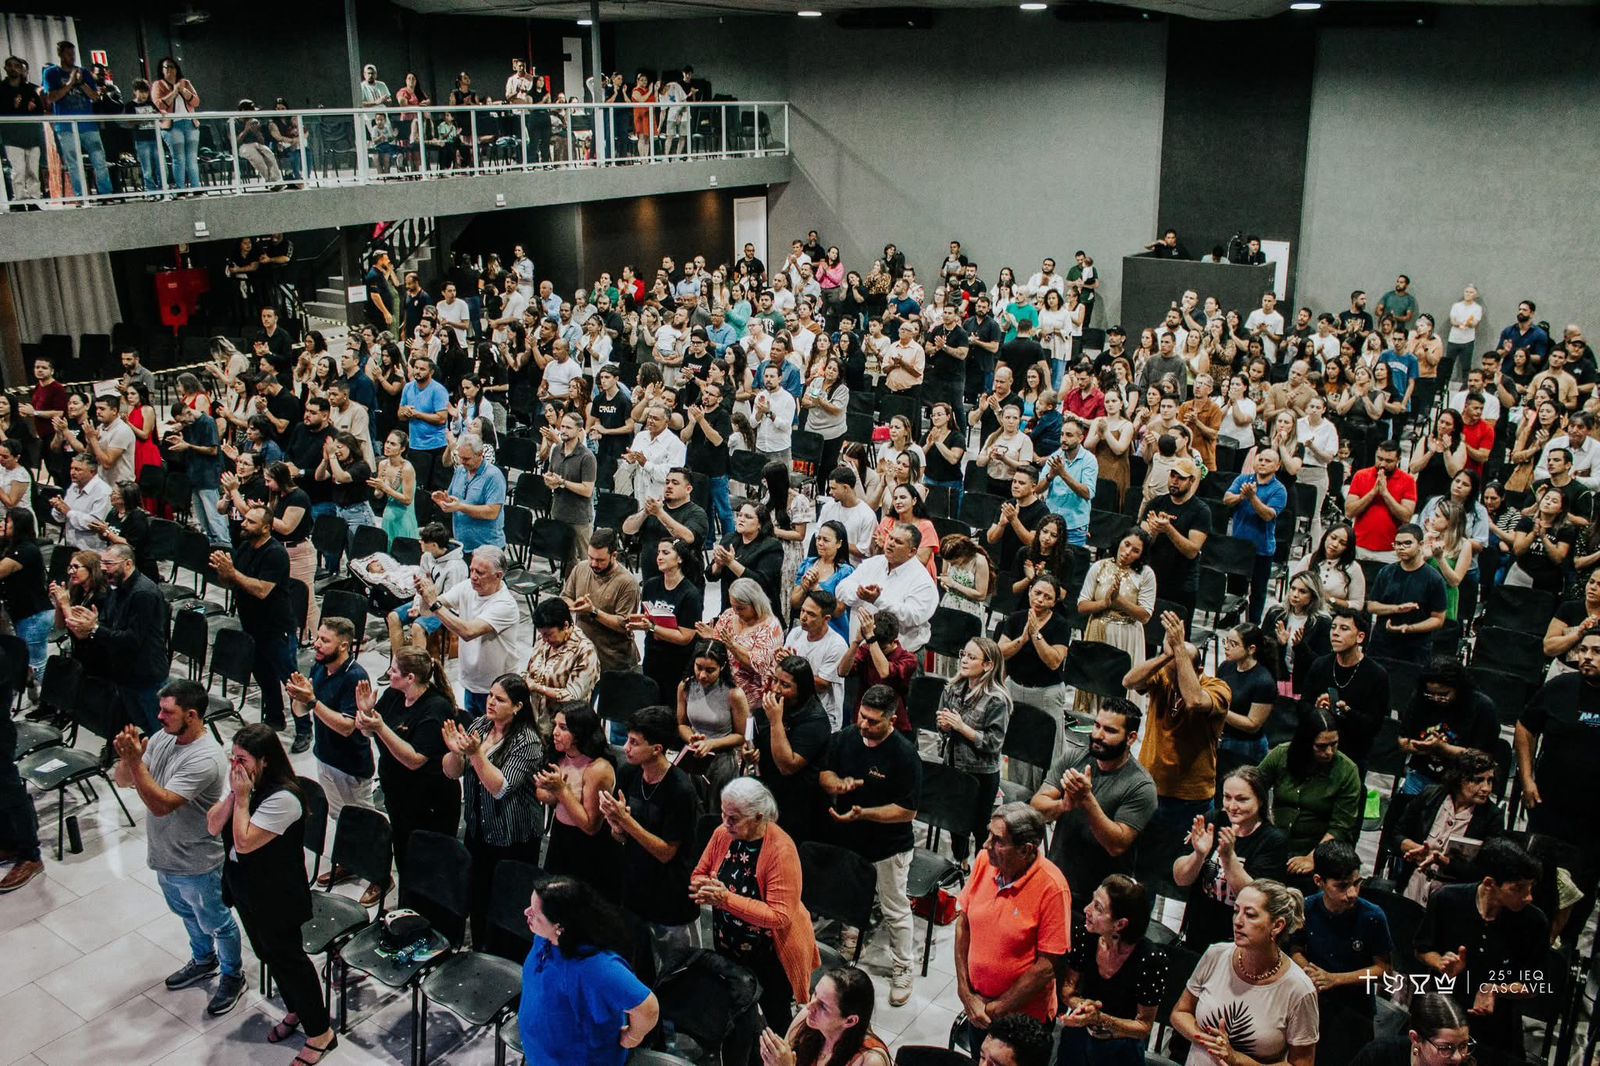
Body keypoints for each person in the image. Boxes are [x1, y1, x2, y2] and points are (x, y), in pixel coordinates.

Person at [111, 679, 246, 1017]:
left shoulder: (205, 758)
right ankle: (203, 960)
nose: (158, 717)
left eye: (167, 712)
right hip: (166, 854)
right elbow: (125, 781)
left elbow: (162, 804)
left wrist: (138, 763)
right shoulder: (162, 738)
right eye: (159, 710)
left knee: (217, 921)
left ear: (192, 715)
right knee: (186, 914)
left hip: (197, 861)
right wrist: (131, 760)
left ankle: (233, 975)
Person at [206, 724, 337, 1064]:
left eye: (243, 759)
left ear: (264, 762)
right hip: (245, 888)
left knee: (290, 961)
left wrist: (243, 799)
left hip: (276, 895)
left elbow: (246, 842)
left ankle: (321, 1031)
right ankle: (296, 1010)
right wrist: (236, 795)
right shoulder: (241, 784)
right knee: (267, 954)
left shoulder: (284, 798)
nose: (236, 765)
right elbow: (212, 825)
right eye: (233, 757)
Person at [818, 692, 922, 1005]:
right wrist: (836, 784)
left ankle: (904, 966)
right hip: (851, 840)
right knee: (852, 897)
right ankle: (852, 940)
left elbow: (907, 811)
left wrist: (865, 813)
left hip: (889, 847)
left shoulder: (905, 755)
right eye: (861, 716)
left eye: (873, 721)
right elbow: (824, 773)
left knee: (894, 909)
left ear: (891, 719)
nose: (863, 724)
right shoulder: (847, 738)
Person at [693, 776, 820, 1030]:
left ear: (759, 817)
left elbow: (780, 915)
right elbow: (699, 873)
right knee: (739, 1012)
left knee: (774, 1019)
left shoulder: (781, 850)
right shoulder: (722, 834)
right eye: (723, 813)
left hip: (770, 953)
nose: (725, 823)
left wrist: (725, 899)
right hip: (729, 944)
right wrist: (704, 887)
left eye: (734, 818)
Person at [1413, 837, 1548, 1057]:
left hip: (1497, 1026)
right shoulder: (1448, 900)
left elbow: (1533, 984)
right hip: (1444, 1013)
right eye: (1519, 888)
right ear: (1489, 884)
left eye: (1531, 887)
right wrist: (1441, 963)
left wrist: (1495, 989)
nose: (1529, 897)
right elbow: (1422, 949)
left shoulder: (1534, 922)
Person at [953, 803, 1071, 1051]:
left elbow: (1047, 967)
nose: (986, 845)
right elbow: (963, 923)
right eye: (989, 835)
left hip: (1022, 1021)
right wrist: (965, 991)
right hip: (978, 1008)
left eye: (997, 840)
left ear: (1025, 850)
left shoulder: (1053, 887)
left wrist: (996, 1008)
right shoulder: (985, 861)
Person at [285, 617, 383, 905]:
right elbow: (302, 712)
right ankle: (351, 863)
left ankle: (380, 876)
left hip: (351, 766)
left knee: (366, 823)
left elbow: (346, 725)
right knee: (340, 817)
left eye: (324, 640)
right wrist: (299, 696)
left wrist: (313, 701)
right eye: (317, 638)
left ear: (343, 645)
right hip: (325, 757)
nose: (316, 643)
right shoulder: (319, 667)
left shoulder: (356, 677)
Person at [516, 874, 660, 1066]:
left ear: (560, 926)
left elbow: (648, 1008)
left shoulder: (597, 967)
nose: (526, 912)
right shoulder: (545, 938)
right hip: (542, 1055)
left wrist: (633, 1037)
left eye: (535, 912)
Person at [443, 673, 543, 948]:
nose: (491, 702)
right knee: (479, 897)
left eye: (500, 699)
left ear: (518, 706)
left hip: (512, 836)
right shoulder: (480, 726)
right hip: (479, 829)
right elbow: (452, 772)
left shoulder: (527, 741)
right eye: (490, 695)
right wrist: (454, 752)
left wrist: (476, 755)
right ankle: (479, 949)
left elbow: (500, 788)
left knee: (507, 903)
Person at [1171, 879, 1318, 1066]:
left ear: (1277, 926)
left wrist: (1236, 1059)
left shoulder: (1299, 989)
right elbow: (1180, 1012)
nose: (1238, 921)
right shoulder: (1216, 954)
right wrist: (1211, 1041)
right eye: (1236, 911)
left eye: (1250, 915)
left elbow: (1302, 1063)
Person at [1032, 699, 1157, 911]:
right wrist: (1063, 805)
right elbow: (1036, 807)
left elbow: (1116, 844)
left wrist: (1087, 799)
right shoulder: (1075, 757)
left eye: (1109, 730)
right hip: (1058, 880)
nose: (1098, 735)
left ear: (1131, 738)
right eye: (1097, 725)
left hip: (1103, 900)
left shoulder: (1140, 786)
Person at [599, 705, 702, 956]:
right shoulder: (629, 773)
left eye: (634, 742)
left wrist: (626, 821)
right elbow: (621, 836)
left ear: (657, 749)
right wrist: (615, 825)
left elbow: (666, 852)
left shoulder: (680, 790)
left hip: (670, 897)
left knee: (676, 969)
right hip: (635, 886)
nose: (626, 748)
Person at [353, 647, 460, 883]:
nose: (388, 674)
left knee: (429, 867)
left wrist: (380, 727)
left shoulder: (435, 707)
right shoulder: (394, 695)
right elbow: (372, 733)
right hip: (398, 796)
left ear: (410, 677)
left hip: (429, 803)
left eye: (393, 670)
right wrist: (366, 714)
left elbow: (414, 760)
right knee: (405, 856)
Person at [1128, 611, 1231, 853]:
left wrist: (1180, 652)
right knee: (1146, 862)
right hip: (1151, 785)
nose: (1170, 677)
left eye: (1177, 669)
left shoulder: (1218, 688)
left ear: (1199, 668)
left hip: (1190, 795)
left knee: (1182, 865)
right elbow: (1129, 682)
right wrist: (1165, 656)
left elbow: (1195, 700)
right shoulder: (1164, 675)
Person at [1288, 841, 1393, 1066]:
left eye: (1357, 883)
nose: (1352, 893)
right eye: (1342, 886)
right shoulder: (1306, 908)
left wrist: (1335, 980)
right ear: (1319, 881)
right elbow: (1295, 948)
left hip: (1354, 1012)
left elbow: (1383, 970)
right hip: (1311, 1005)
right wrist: (1309, 971)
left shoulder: (1373, 916)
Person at [1175, 766, 1289, 950]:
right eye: (1227, 797)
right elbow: (1180, 878)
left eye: (1242, 799)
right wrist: (1198, 855)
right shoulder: (1213, 819)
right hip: (1199, 932)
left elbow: (1258, 900)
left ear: (1260, 800)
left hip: (1238, 940)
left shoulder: (1272, 841)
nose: (1232, 806)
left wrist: (1228, 858)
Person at [1055, 875, 1165, 1066]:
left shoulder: (1151, 959)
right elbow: (1068, 989)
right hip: (1079, 1033)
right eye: (1092, 901)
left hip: (1122, 1046)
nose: (1086, 910)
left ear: (1120, 924)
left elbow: (1144, 1025)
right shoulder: (1085, 934)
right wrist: (1083, 1007)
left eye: (1098, 907)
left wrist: (1102, 1019)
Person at [64, 543, 170, 737]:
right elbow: (108, 621)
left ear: (128, 564)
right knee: (141, 723)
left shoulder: (143, 593)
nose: (103, 568)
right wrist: (94, 623)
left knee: (160, 732)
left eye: (109, 563)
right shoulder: (115, 587)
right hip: (124, 673)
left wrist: (95, 629)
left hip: (145, 674)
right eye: (102, 562)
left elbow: (132, 639)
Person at [1257, 708, 1363, 880]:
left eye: (1334, 744)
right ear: (1305, 743)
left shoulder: (1347, 771)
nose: (1329, 752)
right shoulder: (1282, 754)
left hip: (1319, 847)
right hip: (1275, 841)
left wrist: (1313, 858)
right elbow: (1253, 787)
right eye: (1321, 746)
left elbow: (1340, 827)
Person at [417, 545, 521, 716]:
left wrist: (433, 603)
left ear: (498, 576)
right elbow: (427, 611)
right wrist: (424, 594)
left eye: (480, 573)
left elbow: (468, 632)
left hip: (497, 688)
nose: (473, 577)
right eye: (472, 570)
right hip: (471, 682)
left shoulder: (504, 604)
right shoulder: (466, 587)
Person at [534, 703, 621, 901]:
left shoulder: (597, 769)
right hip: (560, 838)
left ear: (580, 732)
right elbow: (541, 794)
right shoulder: (558, 755)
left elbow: (590, 825)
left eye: (563, 728)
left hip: (589, 850)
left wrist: (560, 791)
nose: (555, 732)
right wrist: (552, 792)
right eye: (555, 725)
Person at [1396, 747, 1502, 906]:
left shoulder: (1493, 817)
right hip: (1413, 883)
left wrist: (1446, 862)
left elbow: (1486, 870)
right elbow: (1397, 834)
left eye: (1490, 780)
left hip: (1452, 896)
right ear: (1460, 778)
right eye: (1478, 780)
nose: (1486, 788)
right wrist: (1413, 847)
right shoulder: (1430, 795)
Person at [1302, 608, 1391, 782]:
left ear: (1360, 637)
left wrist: (1347, 712)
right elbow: (1302, 704)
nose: (1335, 633)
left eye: (1344, 629)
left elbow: (1374, 725)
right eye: (1333, 627)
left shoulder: (1376, 675)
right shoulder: (1320, 664)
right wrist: (1316, 710)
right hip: (1317, 750)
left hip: (1353, 754)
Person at [1073, 533, 1156, 716]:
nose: (1127, 552)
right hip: (1098, 631)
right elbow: (1082, 605)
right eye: (1126, 545)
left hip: (1127, 635)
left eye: (1135, 551)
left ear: (1142, 555)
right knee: (1095, 685)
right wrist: (1105, 604)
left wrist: (1120, 601)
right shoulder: (1099, 566)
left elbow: (1145, 615)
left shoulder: (1145, 574)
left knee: (1120, 688)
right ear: (1119, 542)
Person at [999, 575, 1073, 779]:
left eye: (1047, 597)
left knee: (1047, 749)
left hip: (1046, 693)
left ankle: (1046, 793)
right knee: (1018, 747)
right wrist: (1022, 640)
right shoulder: (1015, 618)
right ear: (1030, 590)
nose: (1040, 599)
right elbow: (1000, 652)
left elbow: (1054, 661)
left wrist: (1036, 635)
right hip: (1015, 688)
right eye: (1037, 593)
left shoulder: (1061, 625)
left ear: (1055, 601)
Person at [758, 965, 892, 1066]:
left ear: (850, 1021)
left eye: (823, 1006)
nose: (810, 1006)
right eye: (815, 994)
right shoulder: (807, 1018)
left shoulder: (869, 1060)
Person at [1137, 457, 1212, 622]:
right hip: (1154, 577)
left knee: (1176, 638)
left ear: (1192, 480)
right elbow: (1142, 543)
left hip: (1182, 583)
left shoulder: (1200, 511)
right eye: (1172, 476)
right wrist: (1155, 531)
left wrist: (1169, 529)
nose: (1174, 481)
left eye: (1181, 478)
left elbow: (1192, 551)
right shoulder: (1156, 503)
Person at [1366, 524, 1449, 665]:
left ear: (1420, 545)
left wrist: (1409, 628)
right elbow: (1371, 606)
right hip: (1382, 645)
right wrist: (1396, 608)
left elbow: (1438, 619)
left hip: (1415, 649)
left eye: (1407, 543)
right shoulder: (1386, 572)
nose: (1401, 547)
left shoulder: (1434, 579)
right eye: (1398, 544)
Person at [561, 528, 641, 674]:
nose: (593, 564)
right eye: (590, 557)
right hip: (584, 655)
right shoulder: (581, 568)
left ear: (614, 555)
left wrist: (593, 612)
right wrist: (573, 606)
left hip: (614, 661)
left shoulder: (627, 583)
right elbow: (566, 596)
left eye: (600, 560)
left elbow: (624, 624)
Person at [1224, 448, 1289, 623]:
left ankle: (1253, 623)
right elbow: (1226, 499)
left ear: (1277, 466)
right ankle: (1232, 618)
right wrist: (1241, 497)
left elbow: (1268, 515)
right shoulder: (1243, 479)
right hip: (1239, 545)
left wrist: (1252, 497)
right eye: (1260, 459)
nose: (1262, 463)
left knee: (1258, 590)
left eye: (1268, 461)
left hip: (1262, 548)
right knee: (1235, 587)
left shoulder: (1279, 490)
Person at [1214, 623, 1279, 781]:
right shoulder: (1226, 667)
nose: (1227, 647)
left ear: (1251, 649)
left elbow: (1252, 724)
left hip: (1245, 746)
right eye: (1226, 642)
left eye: (1233, 644)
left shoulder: (1263, 681)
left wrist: (1221, 710)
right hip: (1222, 737)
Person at [0, 509, 55, 686]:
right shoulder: (12, 547)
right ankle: (35, 696)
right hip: (22, 613)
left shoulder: (26, 551)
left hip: (34, 615)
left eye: (7, 522)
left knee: (36, 664)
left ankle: (50, 702)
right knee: (27, 661)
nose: (2, 525)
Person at [1348, 994, 1473, 1066]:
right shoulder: (1380, 1054)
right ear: (1415, 1038)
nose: (1457, 1057)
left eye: (1463, 1045)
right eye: (1445, 1047)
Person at [1347, 440, 1417, 563]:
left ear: (1398, 460)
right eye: (1379, 458)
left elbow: (1406, 516)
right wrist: (1373, 493)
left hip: (1390, 551)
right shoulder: (1361, 475)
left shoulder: (1408, 481)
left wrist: (1385, 493)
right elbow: (1349, 512)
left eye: (1389, 461)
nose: (1382, 464)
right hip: (1359, 546)